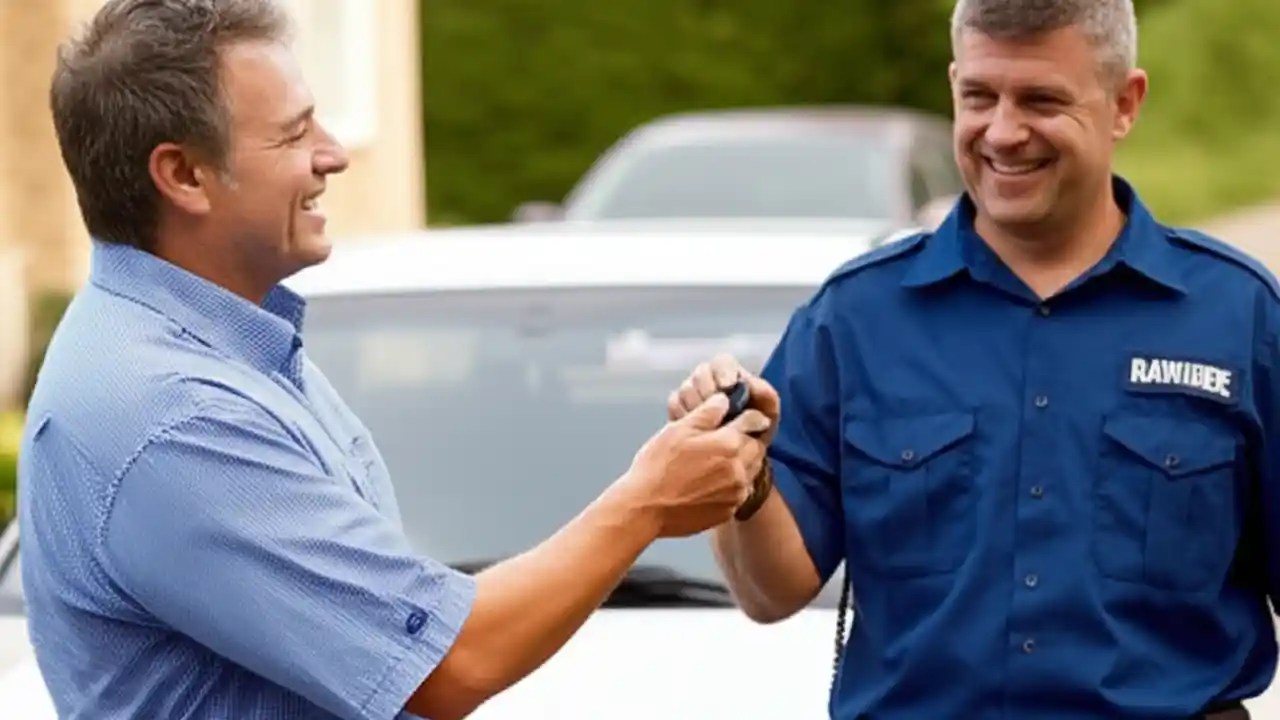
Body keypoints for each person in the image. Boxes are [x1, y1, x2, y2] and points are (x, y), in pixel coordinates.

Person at [17, 1, 771, 718]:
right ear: (183, 175)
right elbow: (450, 665)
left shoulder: (216, 347)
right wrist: (647, 502)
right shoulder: (170, 415)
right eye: (293, 134)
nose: (334, 155)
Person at [669, 1, 1275, 718]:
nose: (1004, 132)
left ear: (1124, 104)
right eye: (979, 97)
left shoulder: (1239, 317)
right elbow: (771, 594)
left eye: (1042, 100)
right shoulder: (857, 318)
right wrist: (738, 472)